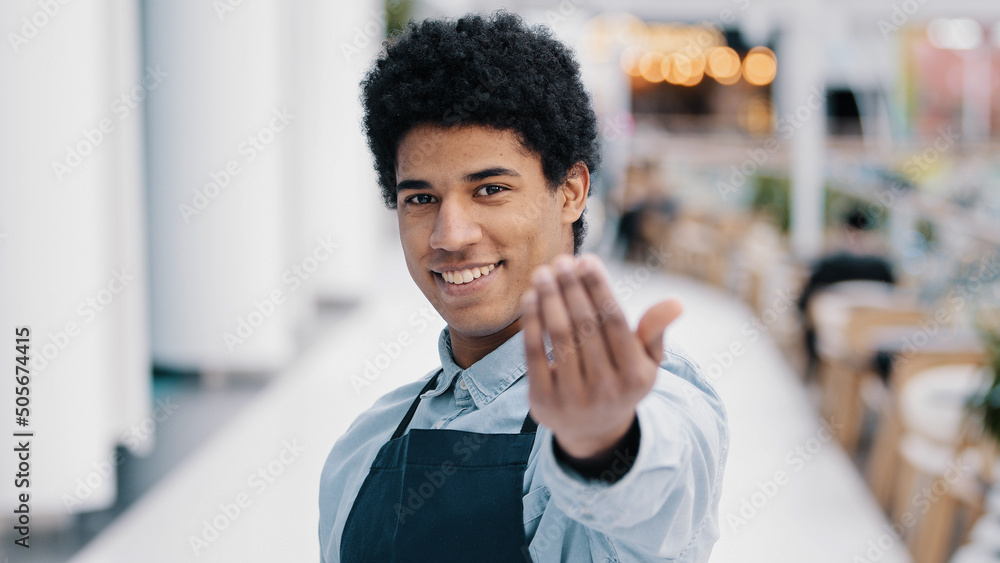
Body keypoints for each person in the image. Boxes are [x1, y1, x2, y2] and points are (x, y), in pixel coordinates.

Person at [318, 11, 729, 562]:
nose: (450, 234)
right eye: (421, 198)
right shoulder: (364, 446)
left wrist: (602, 446)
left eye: (489, 189)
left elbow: (655, 499)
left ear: (571, 192)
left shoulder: (645, 394)